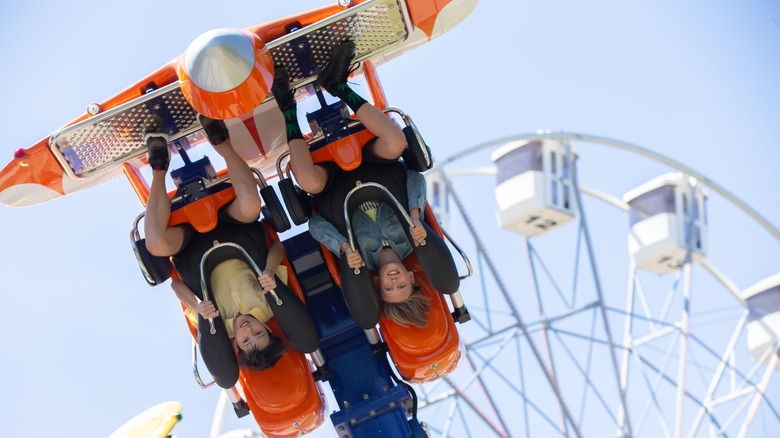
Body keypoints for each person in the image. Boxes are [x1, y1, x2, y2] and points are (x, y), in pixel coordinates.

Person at [272, 41, 436, 328]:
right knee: (396, 142)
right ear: (411, 277)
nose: (394, 280)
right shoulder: (414, 238)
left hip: (333, 184)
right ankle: (338, 85)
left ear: (377, 284)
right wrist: (413, 215)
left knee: (307, 180)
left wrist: (345, 247)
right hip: (376, 166)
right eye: (402, 285)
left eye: (389, 288)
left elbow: (315, 225)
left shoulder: (356, 258)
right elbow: (415, 178)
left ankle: (287, 107)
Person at [143, 117, 290, 373]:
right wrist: (268, 271)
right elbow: (278, 248)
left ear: (236, 346)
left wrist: (197, 306)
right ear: (267, 327)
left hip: (191, 245)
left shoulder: (212, 323)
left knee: (155, 245)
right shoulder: (272, 303)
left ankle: (158, 165)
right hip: (234, 228)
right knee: (251, 205)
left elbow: (175, 285)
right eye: (258, 333)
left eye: (246, 340)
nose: (248, 330)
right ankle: (221, 141)